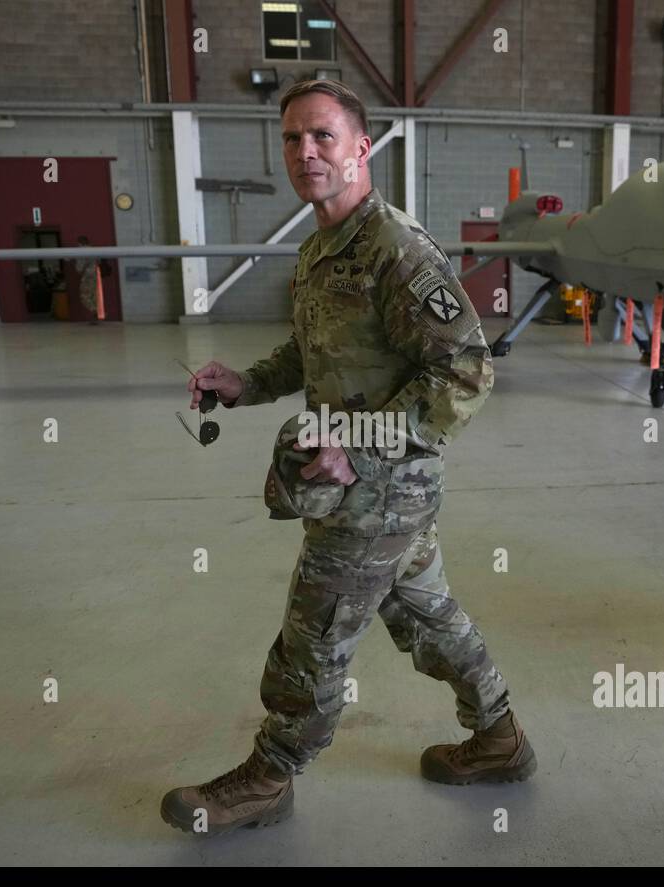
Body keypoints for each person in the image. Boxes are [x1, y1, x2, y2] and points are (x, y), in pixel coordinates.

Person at [162, 79, 535, 837]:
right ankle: (499, 737)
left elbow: (466, 370)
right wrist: (248, 384)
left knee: (316, 631)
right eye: (293, 139)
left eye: (323, 136)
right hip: (358, 487)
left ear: (362, 148)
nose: (306, 152)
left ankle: (269, 776)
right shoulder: (319, 248)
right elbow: (314, 350)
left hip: (381, 489)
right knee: (429, 618)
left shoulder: (394, 247)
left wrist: (358, 446)